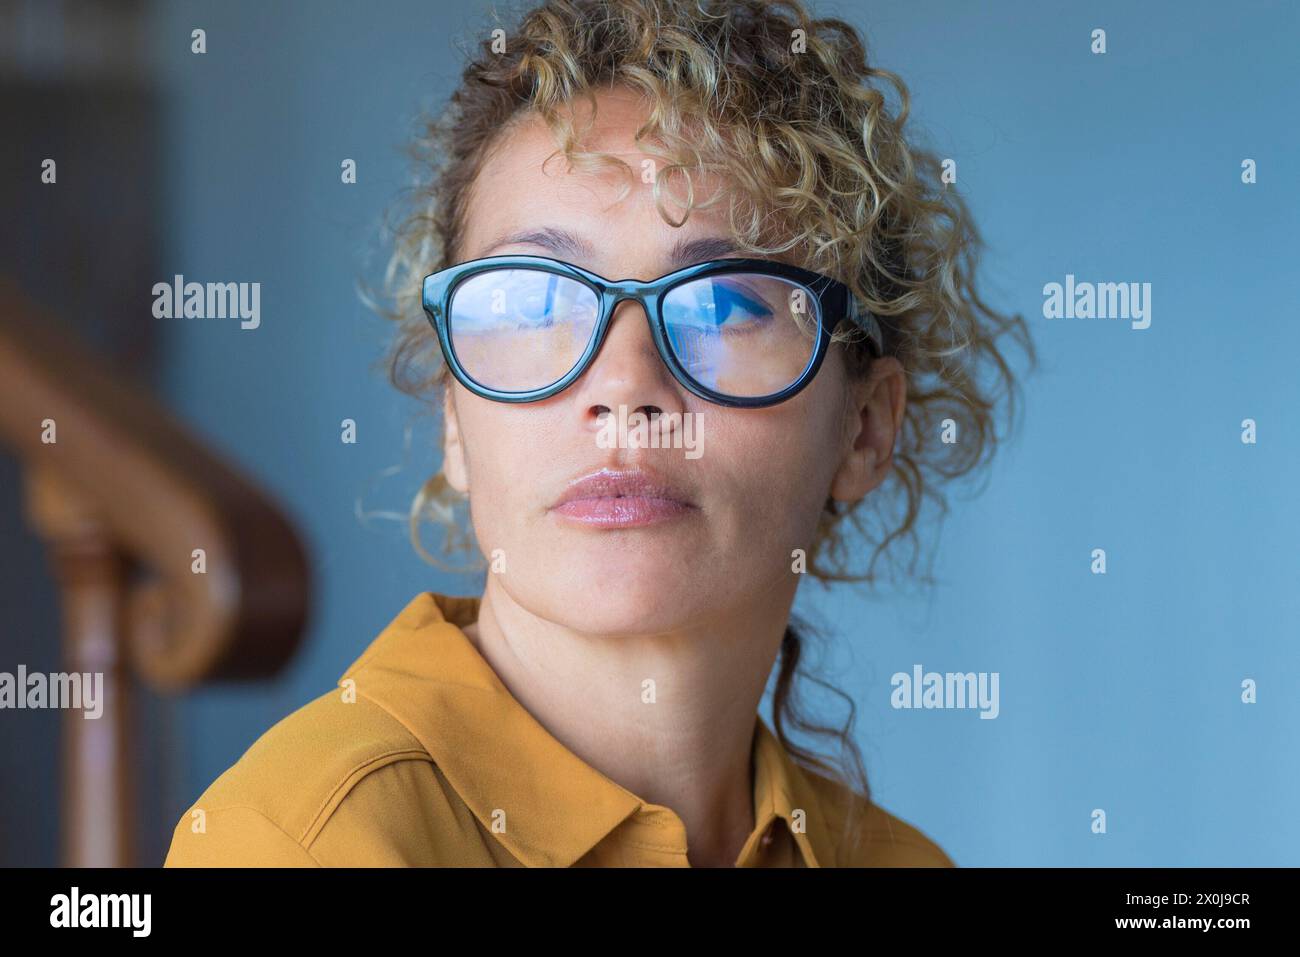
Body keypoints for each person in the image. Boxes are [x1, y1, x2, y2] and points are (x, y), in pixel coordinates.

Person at [165, 0, 1031, 868]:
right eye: (533, 301)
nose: (624, 387)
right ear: (453, 419)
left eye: (724, 304)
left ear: (865, 430)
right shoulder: (299, 843)